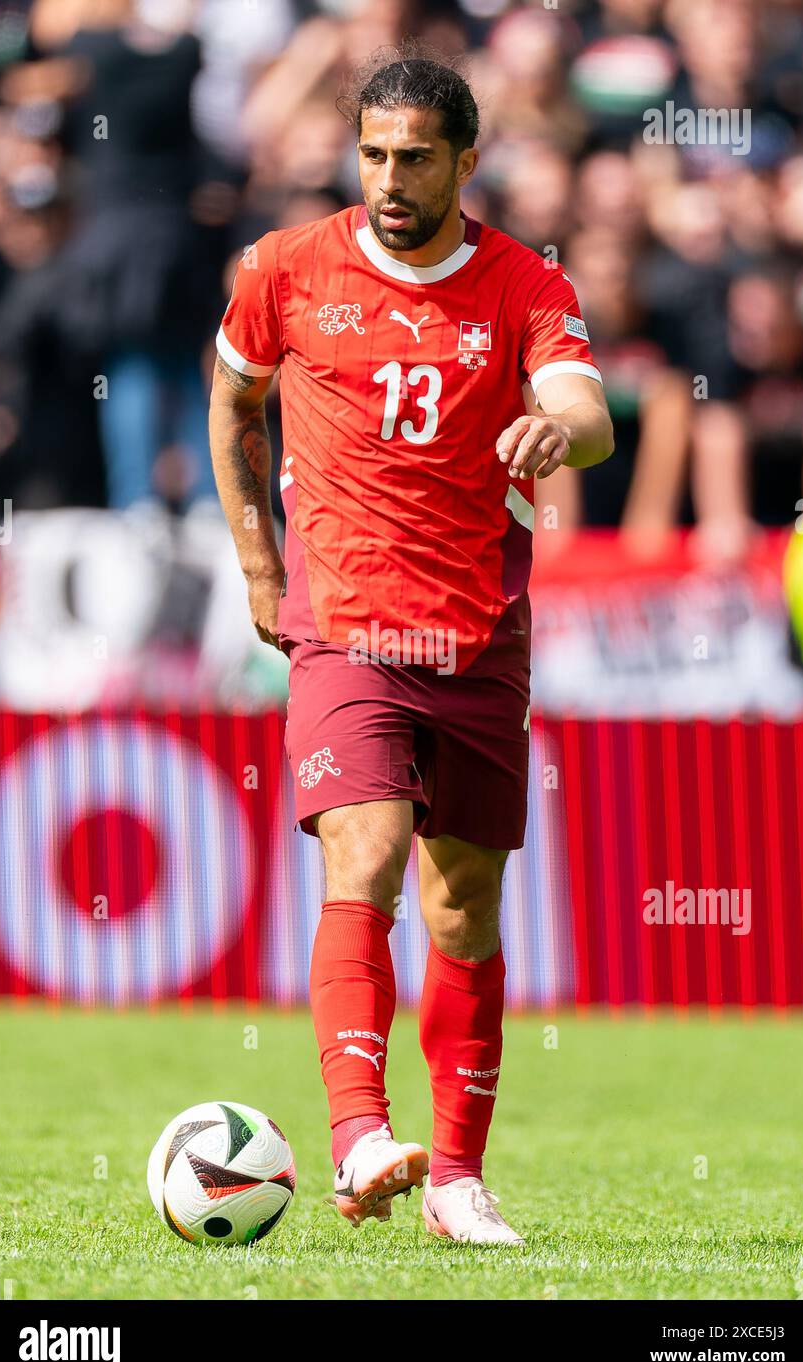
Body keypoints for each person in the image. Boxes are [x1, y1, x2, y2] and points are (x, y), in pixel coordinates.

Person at [209, 48, 613, 1246]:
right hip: (342, 626)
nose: (389, 177)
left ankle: (454, 1180)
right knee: (365, 858)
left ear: (464, 161)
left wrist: (557, 430)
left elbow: (586, 408)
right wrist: (255, 562)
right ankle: (357, 1135)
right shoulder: (284, 269)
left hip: (479, 634)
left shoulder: (522, 286)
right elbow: (231, 398)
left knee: (461, 914)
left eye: (414, 157)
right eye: (373, 153)